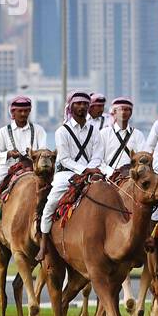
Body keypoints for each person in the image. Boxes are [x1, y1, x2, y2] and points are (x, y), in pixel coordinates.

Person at [37, 91, 105, 261]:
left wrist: (90, 170)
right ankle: (44, 243)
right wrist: (84, 170)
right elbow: (65, 158)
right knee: (50, 204)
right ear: (71, 107)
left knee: (112, 193)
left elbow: (98, 155)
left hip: (92, 172)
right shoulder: (62, 131)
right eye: (78, 104)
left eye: (84, 104)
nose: (82, 107)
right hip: (67, 173)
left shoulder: (94, 130)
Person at [0, 95, 47, 242]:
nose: (23, 114)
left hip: (33, 168)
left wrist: (33, 155)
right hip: (8, 168)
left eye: (26, 111)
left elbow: (44, 151)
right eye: (20, 111)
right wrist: (8, 154)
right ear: (12, 113)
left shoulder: (38, 130)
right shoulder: (3, 131)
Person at [101, 97, 145, 174]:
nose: (123, 112)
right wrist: (111, 172)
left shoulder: (138, 134)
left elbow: (143, 158)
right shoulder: (104, 133)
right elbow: (99, 159)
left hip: (132, 177)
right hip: (109, 177)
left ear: (130, 113)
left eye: (126, 110)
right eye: (120, 109)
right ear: (114, 112)